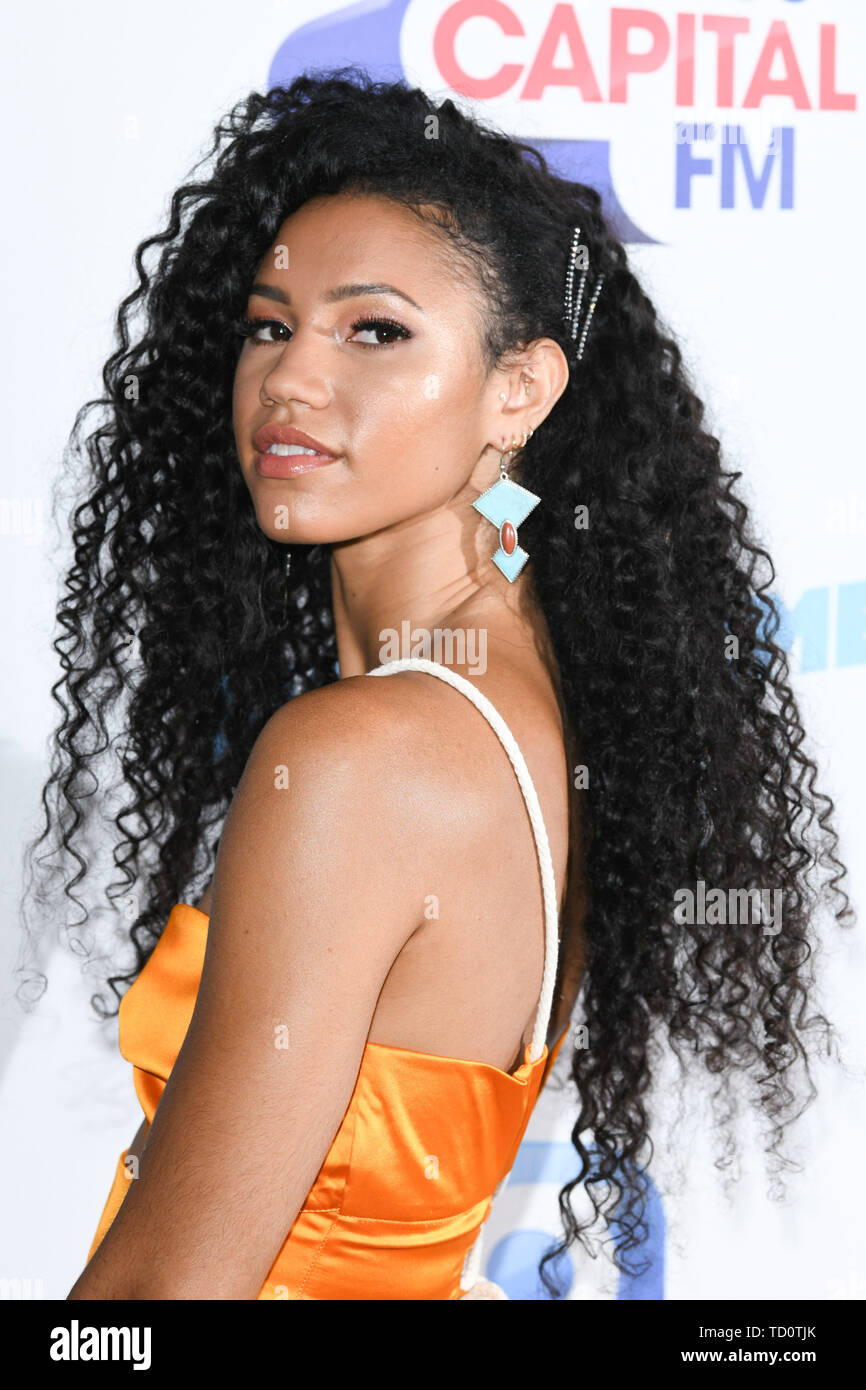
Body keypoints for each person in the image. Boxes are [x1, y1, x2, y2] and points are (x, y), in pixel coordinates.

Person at [21, 68, 852, 1300]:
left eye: (374, 330)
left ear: (517, 390)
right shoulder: (519, 707)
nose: (291, 380)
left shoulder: (367, 756)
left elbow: (159, 1303)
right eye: (267, 324)